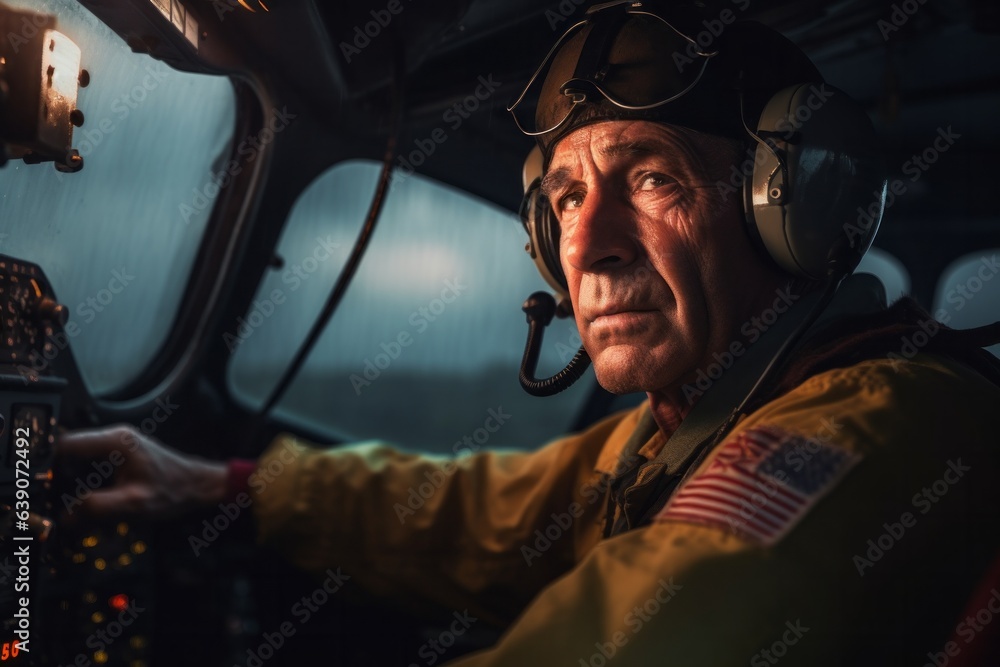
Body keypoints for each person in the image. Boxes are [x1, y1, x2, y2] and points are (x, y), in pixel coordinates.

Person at [57, 2, 1000, 665]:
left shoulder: (870, 433)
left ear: (793, 205)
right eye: (566, 198)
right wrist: (226, 483)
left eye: (653, 179)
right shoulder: (690, 417)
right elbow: (487, 512)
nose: (587, 247)